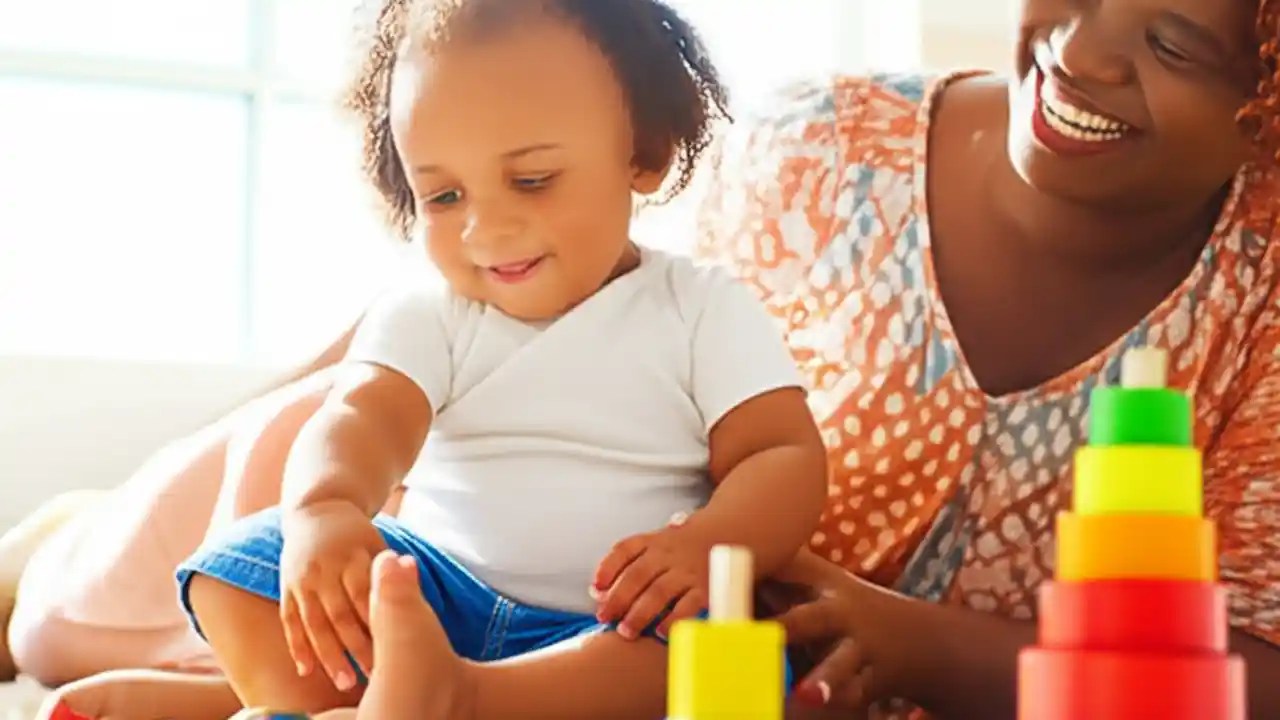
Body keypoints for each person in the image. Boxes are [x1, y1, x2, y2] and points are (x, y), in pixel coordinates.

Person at [13, 0, 1280, 718]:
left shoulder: (1255, 311)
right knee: (115, 604)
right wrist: (328, 506)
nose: (1084, 53)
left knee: (652, 672)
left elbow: (759, 436)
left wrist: (756, 569)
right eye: (434, 190)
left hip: (648, 606)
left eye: (1172, 41)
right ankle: (81, 567)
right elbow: (486, 293)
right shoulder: (825, 145)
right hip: (431, 509)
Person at [176, 0, 826, 718]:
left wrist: (712, 543)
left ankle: (465, 699)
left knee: (739, 656)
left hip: (615, 620)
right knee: (236, 570)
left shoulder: (702, 307)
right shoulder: (430, 314)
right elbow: (362, 417)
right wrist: (323, 511)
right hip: (431, 599)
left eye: (531, 180)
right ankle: (349, 703)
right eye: (444, 196)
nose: (486, 228)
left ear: (644, 151)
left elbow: (780, 454)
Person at [688, 0, 1280, 717]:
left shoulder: (1262, 294)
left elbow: (1258, 671)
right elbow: (652, 473)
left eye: (1172, 48)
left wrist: (910, 646)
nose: (1082, 56)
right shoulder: (811, 155)